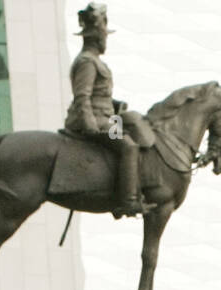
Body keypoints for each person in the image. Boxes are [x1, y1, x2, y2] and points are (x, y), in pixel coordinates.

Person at [64, 4, 155, 218]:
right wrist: (90, 126)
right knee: (129, 147)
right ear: (96, 36)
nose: (106, 40)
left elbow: (99, 95)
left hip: (107, 118)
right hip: (94, 121)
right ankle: (127, 201)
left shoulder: (95, 61)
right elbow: (82, 96)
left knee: (135, 127)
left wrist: (116, 105)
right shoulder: (87, 61)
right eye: (104, 35)